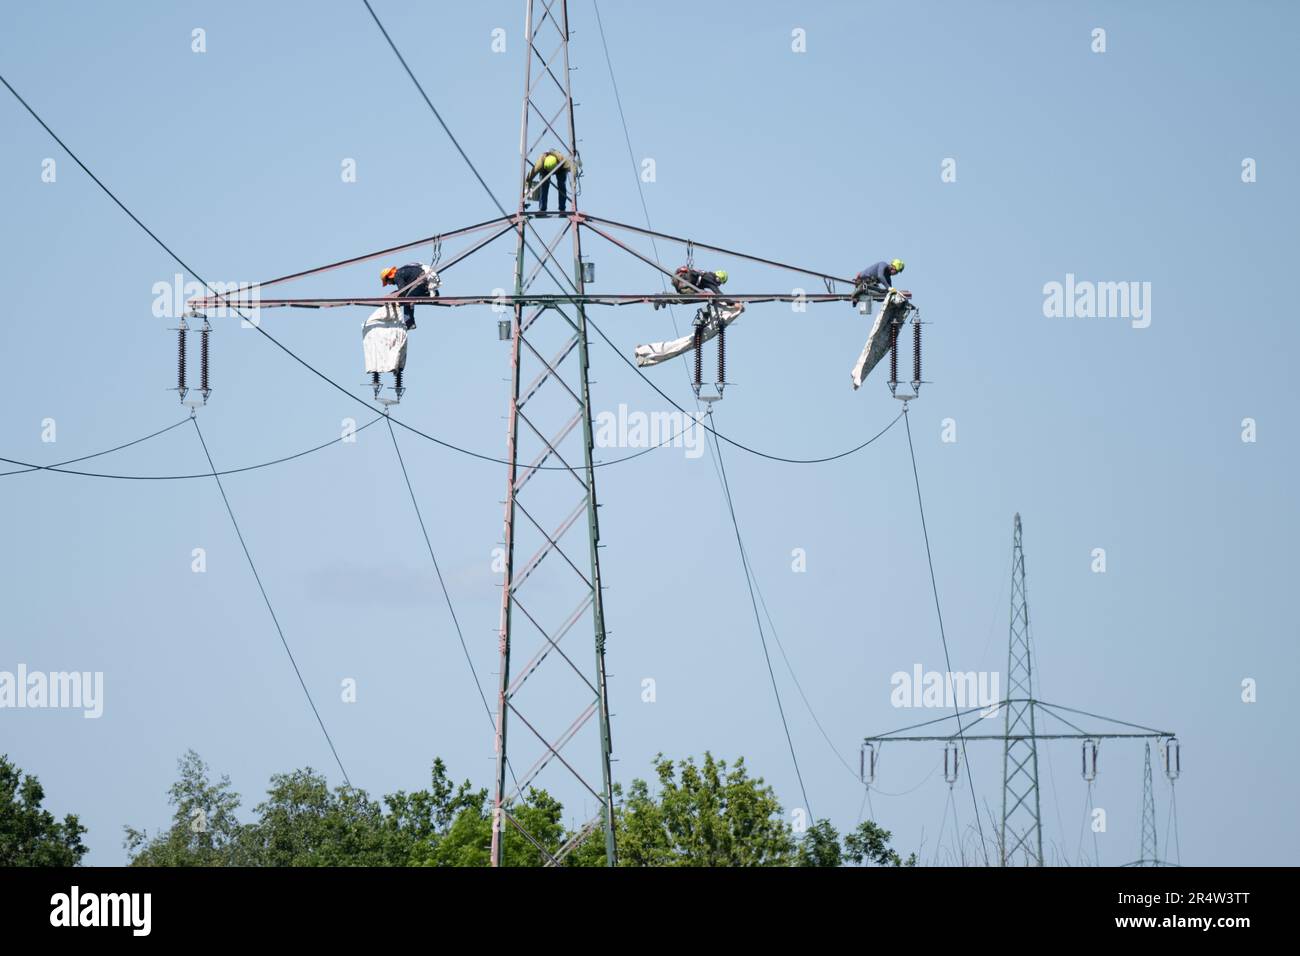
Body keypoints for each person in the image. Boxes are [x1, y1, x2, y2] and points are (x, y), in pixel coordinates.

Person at [381, 263, 438, 330]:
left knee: (407, 300)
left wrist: (395, 298)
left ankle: (409, 324)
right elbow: (405, 290)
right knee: (412, 295)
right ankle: (433, 294)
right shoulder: (401, 272)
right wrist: (395, 294)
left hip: (420, 280)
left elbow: (403, 292)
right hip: (423, 279)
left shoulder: (397, 275)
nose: (389, 284)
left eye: (387, 282)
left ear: (389, 277)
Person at [526, 149, 577, 213]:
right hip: (545, 170)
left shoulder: (563, 161)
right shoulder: (540, 163)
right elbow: (532, 173)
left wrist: (574, 184)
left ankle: (562, 208)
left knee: (562, 185)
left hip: (560, 168)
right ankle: (542, 208)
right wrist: (527, 181)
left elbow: (574, 169)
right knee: (543, 185)